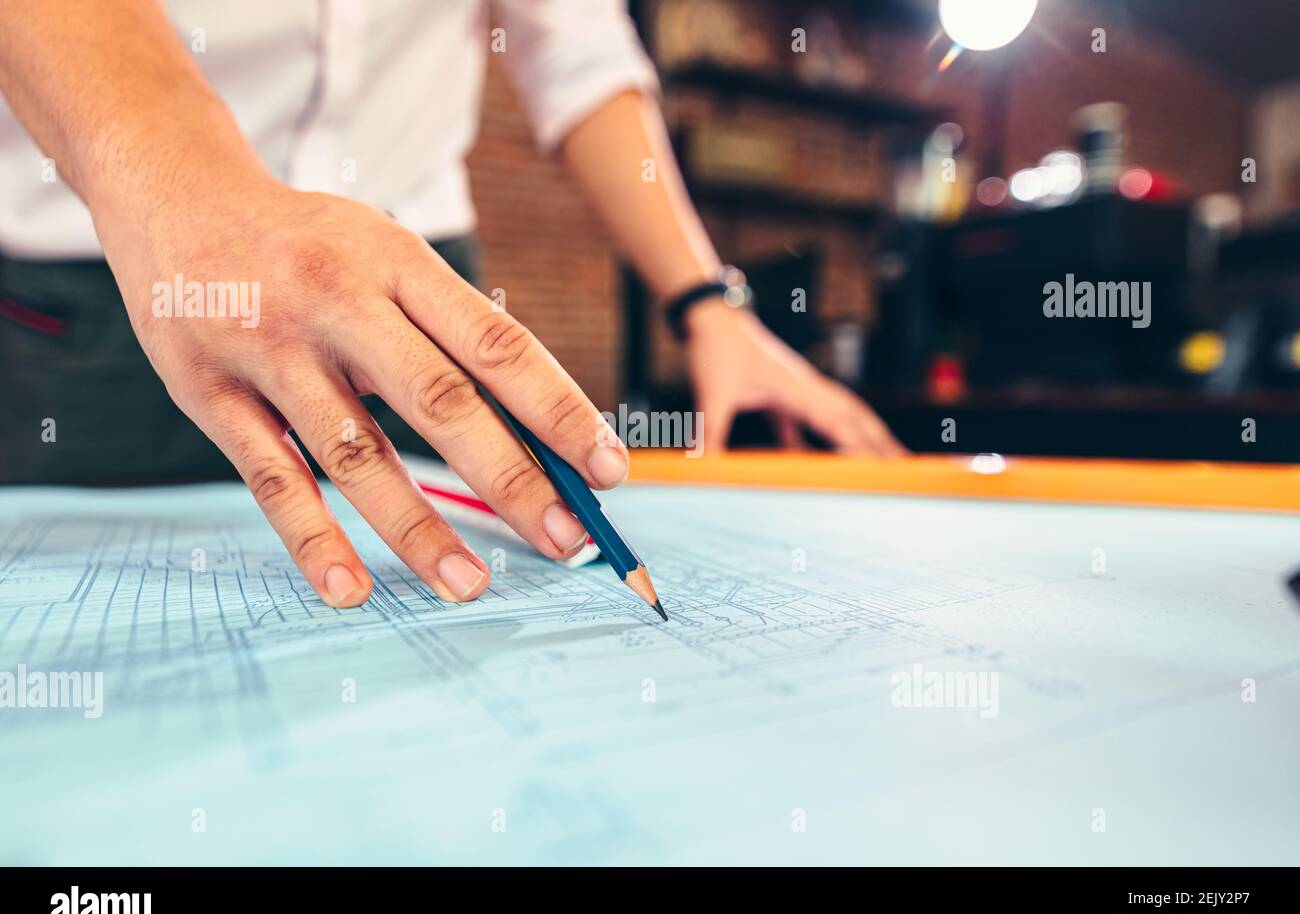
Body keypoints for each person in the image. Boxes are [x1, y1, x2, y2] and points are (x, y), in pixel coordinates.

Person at [0, 0, 902, 609]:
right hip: (111, 281)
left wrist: (709, 302)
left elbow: (576, 45)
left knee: (438, 587)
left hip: (407, 295)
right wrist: (191, 197)